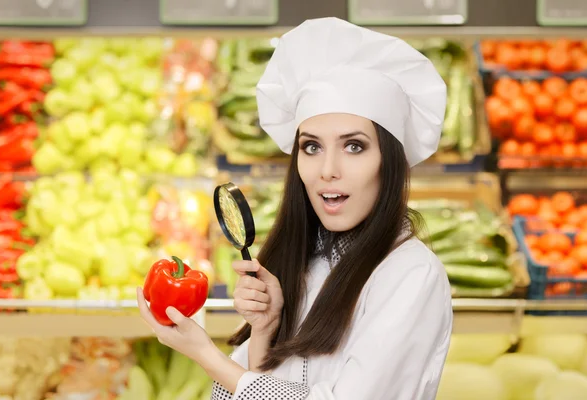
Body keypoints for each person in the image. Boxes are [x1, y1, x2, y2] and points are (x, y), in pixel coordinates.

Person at [137, 16, 453, 400]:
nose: (327, 170)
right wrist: (265, 331)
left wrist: (204, 354)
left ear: (390, 161)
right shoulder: (306, 259)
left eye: (354, 146)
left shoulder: (411, 274)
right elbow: (256, 389)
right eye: (311, 147)